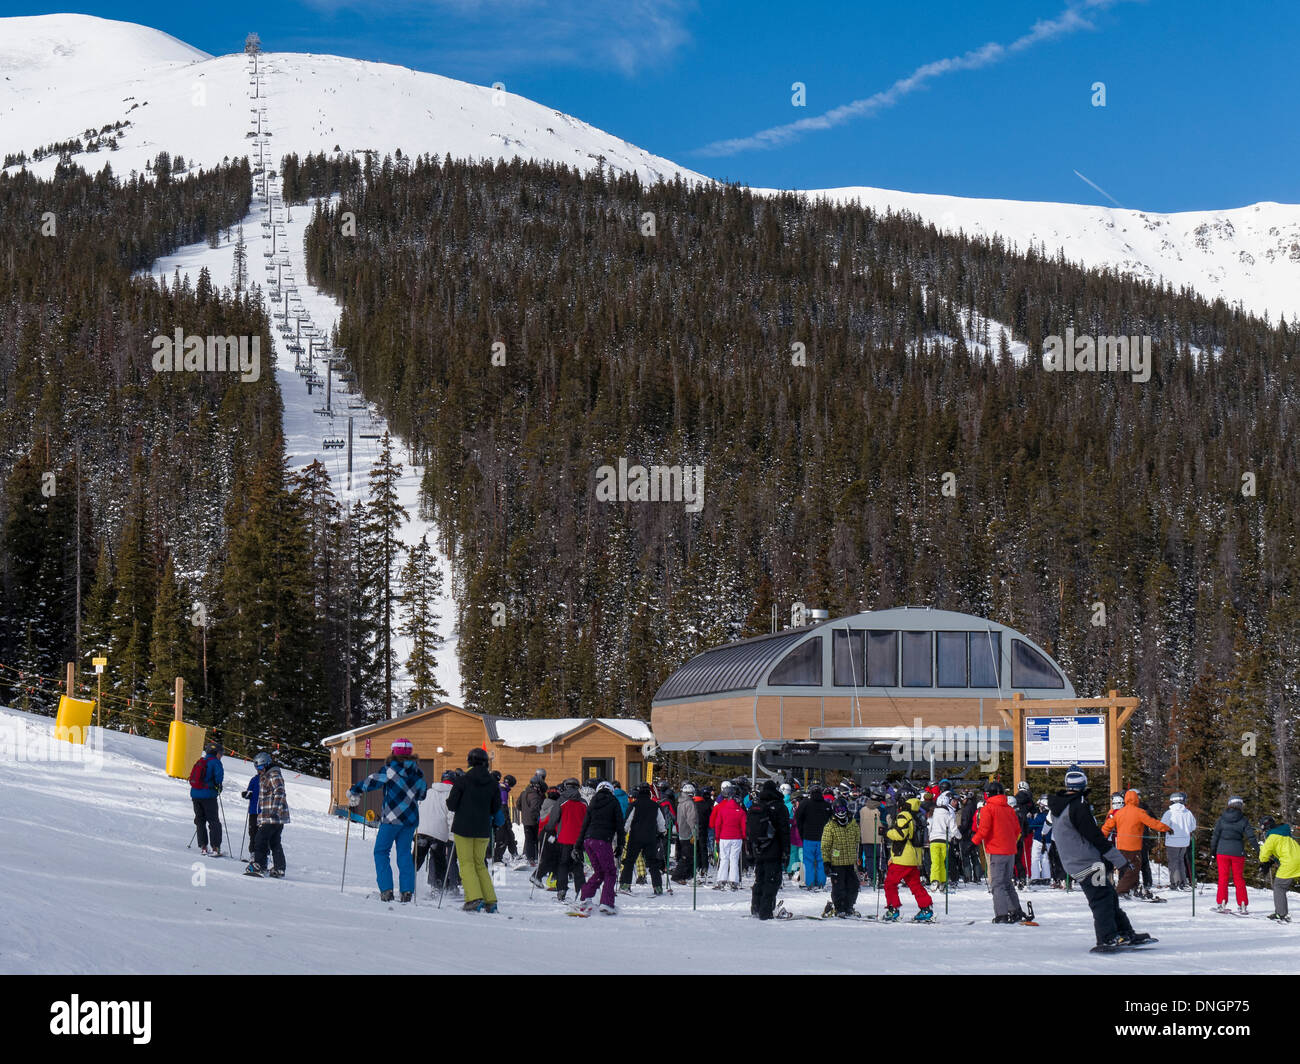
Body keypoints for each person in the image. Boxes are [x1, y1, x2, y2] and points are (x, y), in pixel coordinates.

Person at [1046, 768, 1151, 951]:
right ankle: (1107, 937)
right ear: (1083, 784)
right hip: (1086, 862)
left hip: (1075, 860)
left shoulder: (1059, 806)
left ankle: (1123, 932)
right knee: (1101, 899)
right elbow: (1095, 837)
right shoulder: (1077, 806)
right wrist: (1120, 861)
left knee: (1109, 896)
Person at [348, 739, 427, 903]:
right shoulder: (418, 773)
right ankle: (406, 892)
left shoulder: (390, 770)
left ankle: (387, 890)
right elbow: (422, 795)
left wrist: (354, 790)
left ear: (393, 752)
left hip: (391, 818)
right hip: (410, 820)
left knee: (381, 851)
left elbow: (371, 781)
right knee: (404, 854)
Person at [445, 747, 502, 912]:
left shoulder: (463, 780)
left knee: (466, 863)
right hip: (483, 829)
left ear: (469, 761)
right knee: (480, 864)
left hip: (464, 827)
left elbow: (451, 804)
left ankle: (474, 898)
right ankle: (490, 900)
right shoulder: (492, 782)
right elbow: (495, 807)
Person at [969, 782, 1031, 924]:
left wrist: (973, 843)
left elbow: (984, 830)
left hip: (997, 851)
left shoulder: (988, 809)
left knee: (997, 884)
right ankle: (1015, 910)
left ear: (989, 794)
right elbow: (1017, 831)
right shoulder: (1009, 809)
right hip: (1010, 852)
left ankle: (1001, 914)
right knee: (1007, 882)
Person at [1099, 789, 1170, 898]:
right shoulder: (1139, 812)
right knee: (1134, 869)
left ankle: (1132, 888)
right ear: (1136, 799)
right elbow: (1153, 823)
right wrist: (1166, 828)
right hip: (1134, 847)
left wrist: (1100, 837)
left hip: (1121, 846)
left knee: (1127, 868)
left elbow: (1107, 826)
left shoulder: (1119, 812)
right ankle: (1121, 891)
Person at [573, 781, 626, 915]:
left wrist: (578, 845)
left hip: (588, 840)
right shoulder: (613, 801)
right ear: (611, 790)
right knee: (610, 872)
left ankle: (585, 898)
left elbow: (585, 824)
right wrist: (620, 845)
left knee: (599, 872)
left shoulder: (593, 802)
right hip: (602, 841)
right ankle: (607, 903)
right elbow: (620, 825)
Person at [882, 796, 934, 922]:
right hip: (915, 857)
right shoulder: (918, 815)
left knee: (890, 883)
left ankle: (893, 909)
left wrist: (886, 832)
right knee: (915, 885)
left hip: (902, 857)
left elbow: (900, 834)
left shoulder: (904, 815)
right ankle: (926, 908)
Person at [747, 779, 790, 919]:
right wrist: (786, 851)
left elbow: (749, 830)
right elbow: (784, 831)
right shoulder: (779, 807)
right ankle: (766, 911)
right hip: (774, 849)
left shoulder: (756, 806)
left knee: (759, 879)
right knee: (771, 881)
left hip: (758, 849)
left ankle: (756, 907)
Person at [244, 751, 288, 877]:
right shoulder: (267, 775)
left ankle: (259, 865)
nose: (258, 770)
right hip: (271, 815)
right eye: (256, 768)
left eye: (259, 767)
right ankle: (279, 868)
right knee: (274, 841)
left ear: (266, 764)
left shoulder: (273, 775)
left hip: (273, 815)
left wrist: (274, 811)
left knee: (260, 839)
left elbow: (280, 792)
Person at [1210, 796, 1257, 913]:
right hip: (1237, 852)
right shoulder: (1243, 820)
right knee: (1238, 878)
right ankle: (1242, 904)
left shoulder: (1222, 819)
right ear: (1241, 806)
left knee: (1223, 878)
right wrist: (1259, 851)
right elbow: (1251, 837)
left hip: (1222, 852)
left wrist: (1213, 851)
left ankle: (1221, 903)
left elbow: (1215, 836)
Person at [620, 783, 668, 894]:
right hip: (650, 838)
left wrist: (623, 832)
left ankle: (625, 884)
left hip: (635, 837)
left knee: (629, 861)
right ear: (649, 793)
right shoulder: (655, 805)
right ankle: (658, 887)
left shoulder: (634, 804)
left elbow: (628, 821)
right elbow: (661, 822)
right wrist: (661, 832)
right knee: (653, 863)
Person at [417, 770, 458, 894]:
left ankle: (406, 885)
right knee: (439, 859)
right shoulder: (452, 794)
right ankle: (439, 886)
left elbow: (420, 807)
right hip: (439, 833)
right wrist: (452, 836)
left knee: (416, 860)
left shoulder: (429, 791)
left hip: (422, 830)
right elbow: (451, 816)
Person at [821, 799, 862, 917]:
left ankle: (849, 906)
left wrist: (858, 857)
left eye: (843, 809)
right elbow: (825, 846)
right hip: (836, 863)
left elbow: (857, 840)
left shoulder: (852, 823)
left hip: (849, 862)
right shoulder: (830, 826)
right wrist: (826, 863)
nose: (841, 812)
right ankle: (839, 908)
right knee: (839, 888)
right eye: (838, 810)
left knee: (853, 885)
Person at [549, 778, 588, 903]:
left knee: (563, 864)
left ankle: (561, 890)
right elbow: (588, 819)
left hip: (564, 838)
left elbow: (553, 818)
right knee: (578, 865)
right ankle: (581, 890)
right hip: (579, 839)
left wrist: (548, 828)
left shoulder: (561, 801)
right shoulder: (583, 802)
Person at [1258, 817, 1299, 923]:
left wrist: (1264, 861)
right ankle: (1280, 912)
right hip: (1297, 857)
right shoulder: (1284, 831)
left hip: (1290, 862)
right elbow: (1282, 849)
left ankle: (1281, 914)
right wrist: (1273, 860)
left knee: (1279, 886)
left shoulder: (1272, 836)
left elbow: (1264, 855)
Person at [189, 741, 225, 856]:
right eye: (221, 753)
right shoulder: (216, 762)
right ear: (216, 753)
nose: (221, 756)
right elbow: (219, 779)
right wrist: (218, 788)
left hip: (195, 795)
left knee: (200, 820)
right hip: (208, 796)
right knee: (214, 821)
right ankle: (215, 848)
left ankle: (203, 847)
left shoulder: (201, 761)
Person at [710, 783, 747, 891]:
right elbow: (744, 826)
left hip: (724, 837)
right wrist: (744, 837)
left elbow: (717, 824)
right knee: (734, 859)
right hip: (736, 838)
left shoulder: (722, 809)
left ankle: (721, 879)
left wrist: (717, 837)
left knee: (724, 858)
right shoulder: (741, 811)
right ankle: (734, 881)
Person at [795, 786, 832, 890]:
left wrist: (802, 831)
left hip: (808, 837)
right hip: (823, 838)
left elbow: (798, 817)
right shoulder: (826, 805)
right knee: (821, 861)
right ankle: (821, 883)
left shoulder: (805, 804)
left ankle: (809, 882)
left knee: (808, 861)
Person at [1160, 792, 1197, 891]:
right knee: (1181, 860)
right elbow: (1193, 826)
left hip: (1172, 841)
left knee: (1173, 862)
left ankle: (1176, 882)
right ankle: (1183, 881)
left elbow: (1162, 825)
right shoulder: (1188, 812)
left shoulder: (1169, 813)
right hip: (1184, 841)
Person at [928, 791, 960, 892]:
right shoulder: (949, 814)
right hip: (945, 841)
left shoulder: (933, 813)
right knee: (943, 862)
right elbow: (953, 828)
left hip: (934, 840)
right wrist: (958, 836)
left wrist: (930, 836)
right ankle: (942, 881)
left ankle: (934, 880)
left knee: (935, 861)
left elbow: (929, 825)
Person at [518, 771, 547, 865]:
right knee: (535, 840)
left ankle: (530, 857)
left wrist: (524, 811)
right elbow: (535, 809)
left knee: (529, 839)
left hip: (526, 820)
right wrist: (537, 818)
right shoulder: (535, 796)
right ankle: (533, 858)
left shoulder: (524, 792)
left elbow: (518, 805)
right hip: (534, 821)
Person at [673, 782, 699, 882]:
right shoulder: (689, 803)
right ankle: (678, 875)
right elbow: (692, 819)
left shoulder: (680, 803)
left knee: (688, 855)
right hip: (688, 833)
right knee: (687, 856)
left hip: (682, 832)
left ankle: (688, 875)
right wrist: (694, 833)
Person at [493, 773, 519, 863]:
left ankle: (515, 854)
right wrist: (507, 821)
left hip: (498, 816)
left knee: (510, 836)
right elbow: (503, 807)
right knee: (502, 839)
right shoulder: (503, 790)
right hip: (500, 818)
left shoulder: (499, 786)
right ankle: (497, 858)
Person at [1028, 797, 1053, 884]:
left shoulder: (1041, 816)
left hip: (1039, 839)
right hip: (1048, 840)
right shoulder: (1052, 816)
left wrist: (1029, 818)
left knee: (1035, 857)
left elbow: (1032, 825)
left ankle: (1035, 877)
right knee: (1045, 858)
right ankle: (1047, 877)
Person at [240, 767, 260, 857]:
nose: (259, 770)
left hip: (263, 812)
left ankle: (263, 854)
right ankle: (253, 853)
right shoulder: (254, 779)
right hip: (253, 811)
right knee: (252, 832)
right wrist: (246, 794)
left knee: (262, 834)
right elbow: (249, 792)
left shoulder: (269, 779)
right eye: (258, 768)